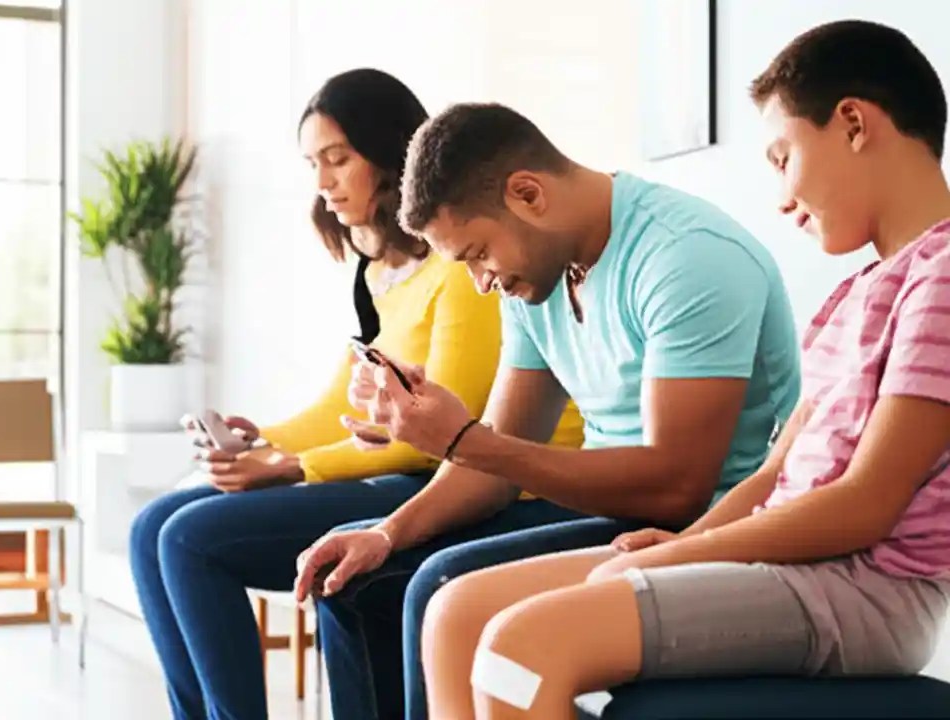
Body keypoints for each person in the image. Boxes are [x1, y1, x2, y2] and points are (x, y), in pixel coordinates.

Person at [419, 19, 950, 720]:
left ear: (853, 123)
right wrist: (685, 545)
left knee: (522, 651)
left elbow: (866, 504)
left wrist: (670, 561)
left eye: (782, 157)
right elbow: (772, 478)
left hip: (864, 587)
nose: (782, 198)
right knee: (458, 613)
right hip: (795, 566)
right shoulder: (855, 294)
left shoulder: (940, 279)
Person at [293, 102, 803, 719]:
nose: (482, 281)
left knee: (441, 586)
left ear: (528, 194)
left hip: (712, 520)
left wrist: (460, 439)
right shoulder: (536, 276)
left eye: (478, 253)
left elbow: (676, 488)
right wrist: (384, 531)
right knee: (359, 580)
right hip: (612, 510)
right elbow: (498, 459)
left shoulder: (686, 258)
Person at [129, 68, 582, 720]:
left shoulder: (464, 271)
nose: (322, 182)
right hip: (412, 467)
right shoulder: (375, 273)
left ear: (392, 152)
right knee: (153, 526)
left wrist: (294, 467)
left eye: (338, 159)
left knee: (189, 538)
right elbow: (344, 403)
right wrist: (265, 440)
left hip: (447, 481)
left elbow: (431, 442)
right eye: (314, 163)